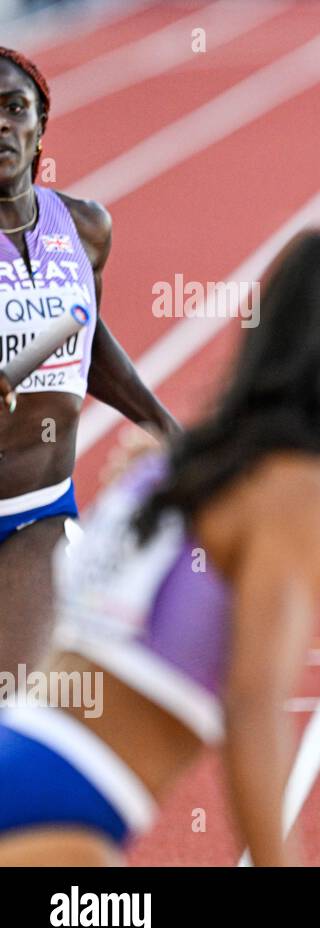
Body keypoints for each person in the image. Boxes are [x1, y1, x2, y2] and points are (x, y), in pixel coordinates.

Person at [0, 231, 320, 866]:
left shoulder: (179, 467)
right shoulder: (304, 500)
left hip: (24, 760)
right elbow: (253, 705)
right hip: (58, 801)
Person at [0, 46, 179, 672]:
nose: (1, 123)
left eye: (14, 107)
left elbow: (90, 342)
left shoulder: (84, 228)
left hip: (37, 508)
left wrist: (166, 428)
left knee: (18, 694)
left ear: (40, 125)